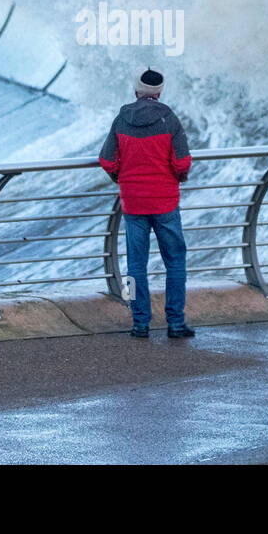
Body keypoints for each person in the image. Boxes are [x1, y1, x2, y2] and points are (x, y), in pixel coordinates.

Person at [98, 68, 195, 338]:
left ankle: (140, 323)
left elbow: (106, 160)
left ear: (136, 91)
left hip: (133, 204)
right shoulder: (169, 119)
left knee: (135, 266)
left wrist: (119, 177)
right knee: (175, 262)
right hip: (165, 203)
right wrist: (179, 177)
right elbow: (181, 162)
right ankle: (175, 323)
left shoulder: (122, 119)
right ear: (160, 92)